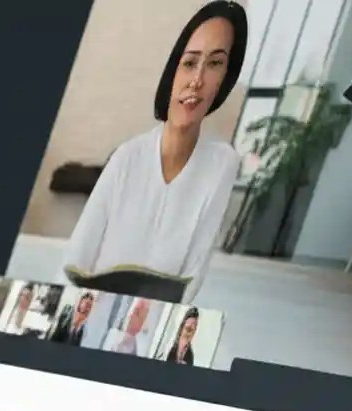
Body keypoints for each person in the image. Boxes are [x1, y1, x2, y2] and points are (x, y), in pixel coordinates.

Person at [61, 1, 247, 305]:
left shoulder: (222, 163)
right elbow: (75, 262)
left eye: (215, 64)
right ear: (173, 69)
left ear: (226, 78)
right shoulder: (127, 157)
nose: (197, 80)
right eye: (189, 63)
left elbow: (195, 269)